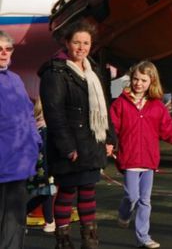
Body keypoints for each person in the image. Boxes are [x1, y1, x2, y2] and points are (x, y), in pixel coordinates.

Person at [39, 20, 116, 249]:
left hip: (92, 141)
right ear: (66, 43)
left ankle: (89, 240)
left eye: (86, 43)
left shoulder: (93, 70)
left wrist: (110, 139)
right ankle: (63, 241)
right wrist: (67, 147)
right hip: (71, 143)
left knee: (88, 191)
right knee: (67, 191)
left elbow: (104, 106)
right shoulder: (55, 72)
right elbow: (54, 114)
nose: (81, 48)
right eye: (76, 42)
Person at [110, 61, 172, 249]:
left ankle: (143, 237)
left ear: (151, 81)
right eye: (136, 79)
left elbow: (168, 130)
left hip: (149, 159)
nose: (138, 83)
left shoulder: (157, 106)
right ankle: (124, 214)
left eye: (143, 80)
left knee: (145, 200)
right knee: (132, 197)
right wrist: (108, 143)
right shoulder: (120, 103)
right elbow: (112, 128)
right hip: (129, 158)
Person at [0, 31, 42, 248]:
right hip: (2, 162)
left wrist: (36, 145)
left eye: (8, 49)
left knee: (15, 221)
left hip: (19, 164)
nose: (3, 53)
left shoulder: (16, 80)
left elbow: (28, 116)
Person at [26, 96, 57, 234]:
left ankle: (49, 220)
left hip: (36, 166)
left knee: (44, 193)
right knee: (46, 193)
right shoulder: (46, 129)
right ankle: (49, 220)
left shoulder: (34, 127)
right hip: (44, 167)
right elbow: (45, 150)